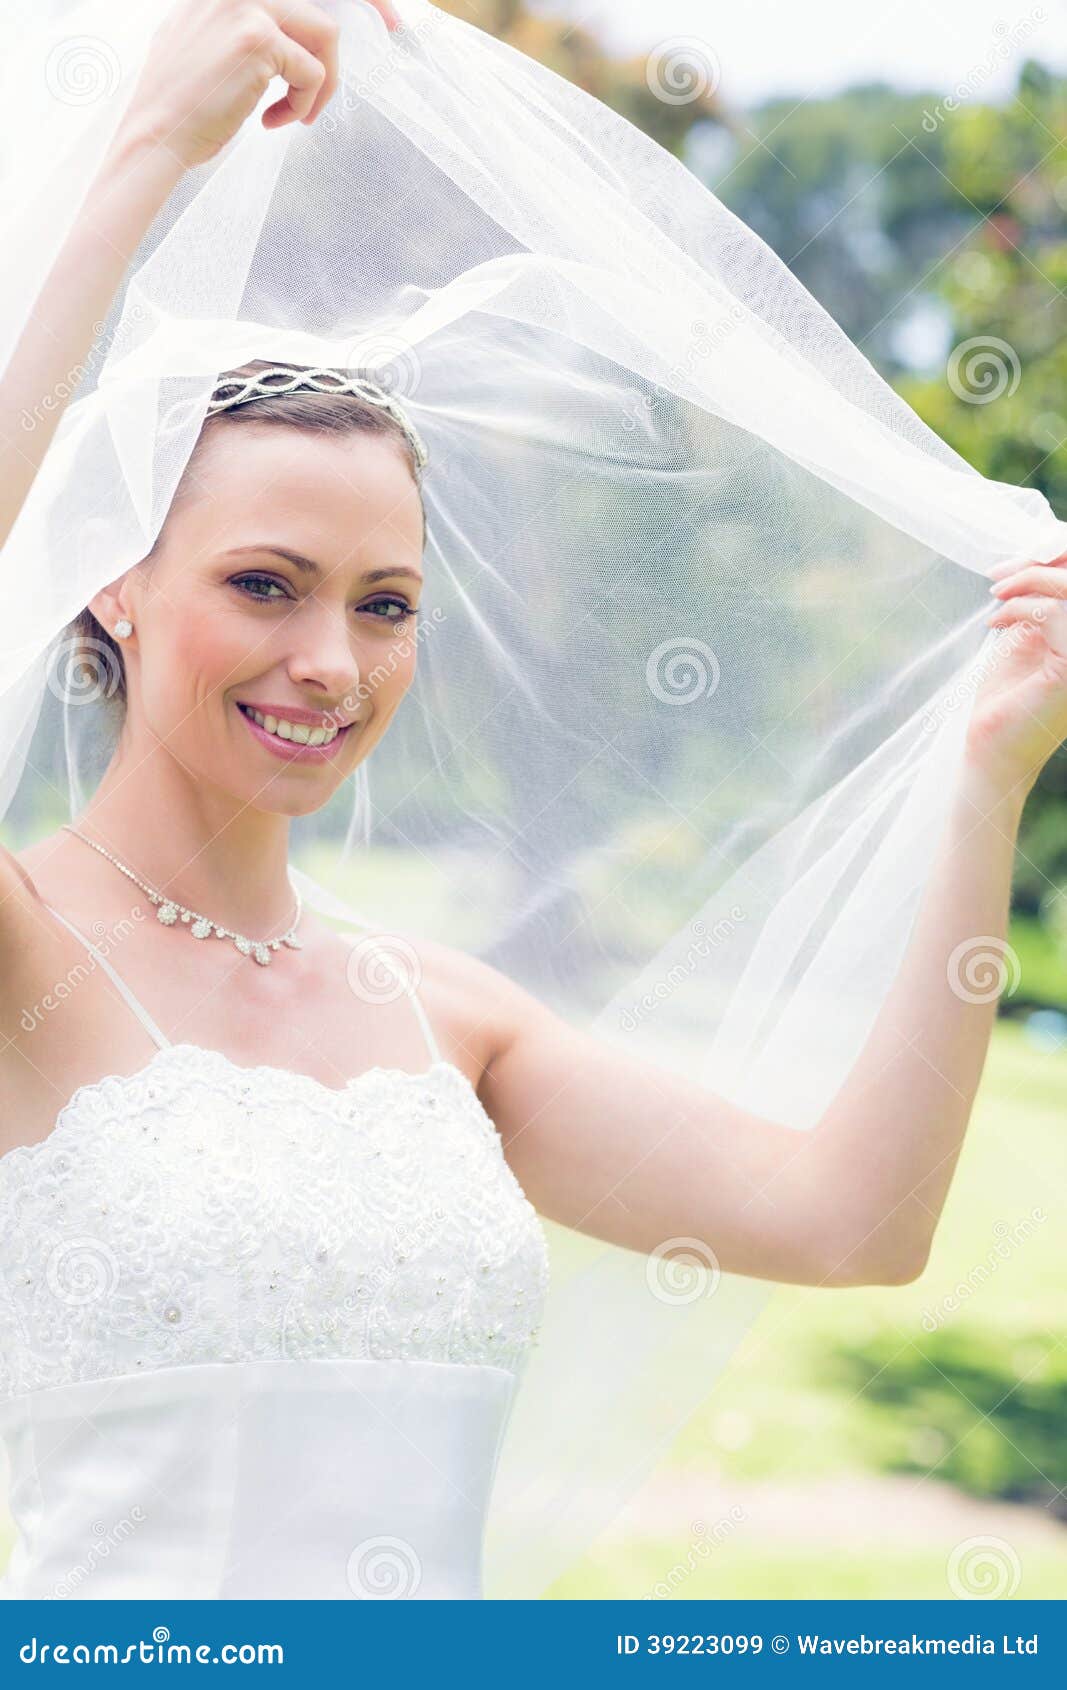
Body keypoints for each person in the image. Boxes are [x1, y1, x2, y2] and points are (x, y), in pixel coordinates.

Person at [1, 0, 1065, 1600]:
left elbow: (854, 1217)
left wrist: (989, 777)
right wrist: (146, 157)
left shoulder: (452, 1022)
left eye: (384, 602)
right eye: (265, 583)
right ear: (112, 587)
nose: (330, 662)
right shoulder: (26, 956)